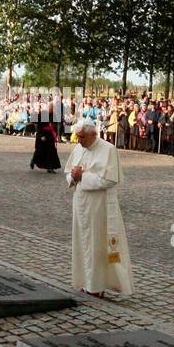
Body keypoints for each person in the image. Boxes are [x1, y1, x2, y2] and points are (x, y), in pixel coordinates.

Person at [66, 120, 133, 298]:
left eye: (82, 137)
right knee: (82, 243)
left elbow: (110, 179)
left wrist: (83, 177)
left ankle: (97, 285)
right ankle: (86, 281)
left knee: (97, 244)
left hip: (99, 206)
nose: (78, 140)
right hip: (80, 203)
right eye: (77, 136)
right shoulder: (79, 148)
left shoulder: (108, 149)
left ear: (93, 134)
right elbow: (69, 171)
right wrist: (72, 176)